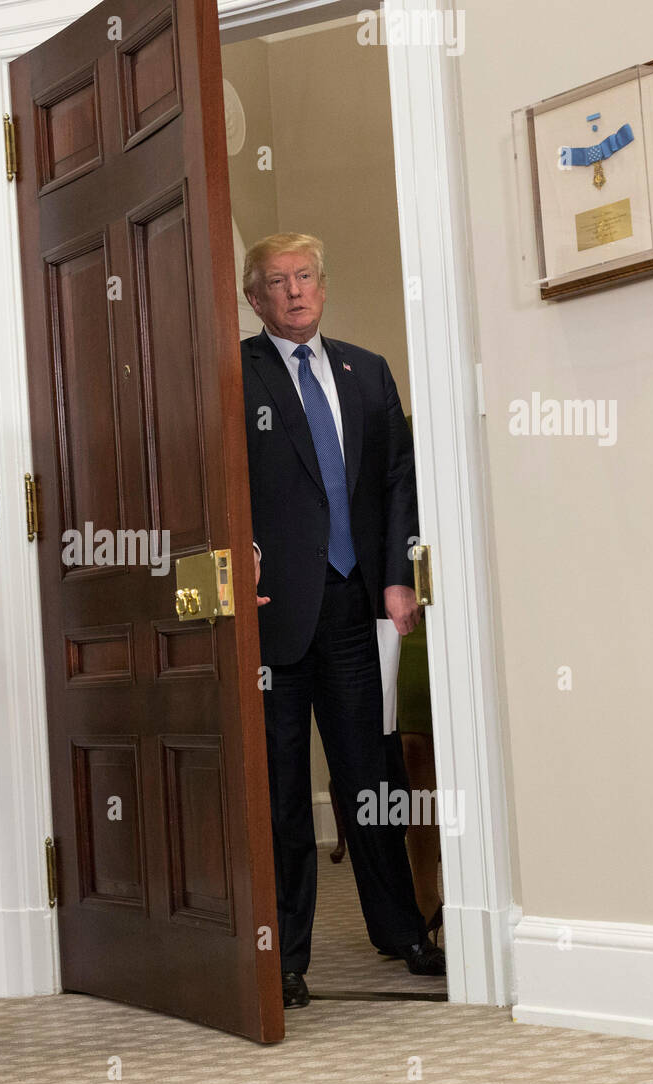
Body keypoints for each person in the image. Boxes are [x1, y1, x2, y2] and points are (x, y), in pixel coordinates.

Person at [241, 232, 445, 1010]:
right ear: (254, 299)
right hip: (272, 616)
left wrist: (397, 577)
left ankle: (402, 932)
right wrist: (241, 552)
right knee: (284, 790)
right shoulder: (238, 371)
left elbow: (398, 480)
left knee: (372, 778)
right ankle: (286, 956)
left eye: (304, 277)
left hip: (358, 606)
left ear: (323, 287)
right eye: (276, 282)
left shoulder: (368, 370)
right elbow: (214, 474)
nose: (294, 292)